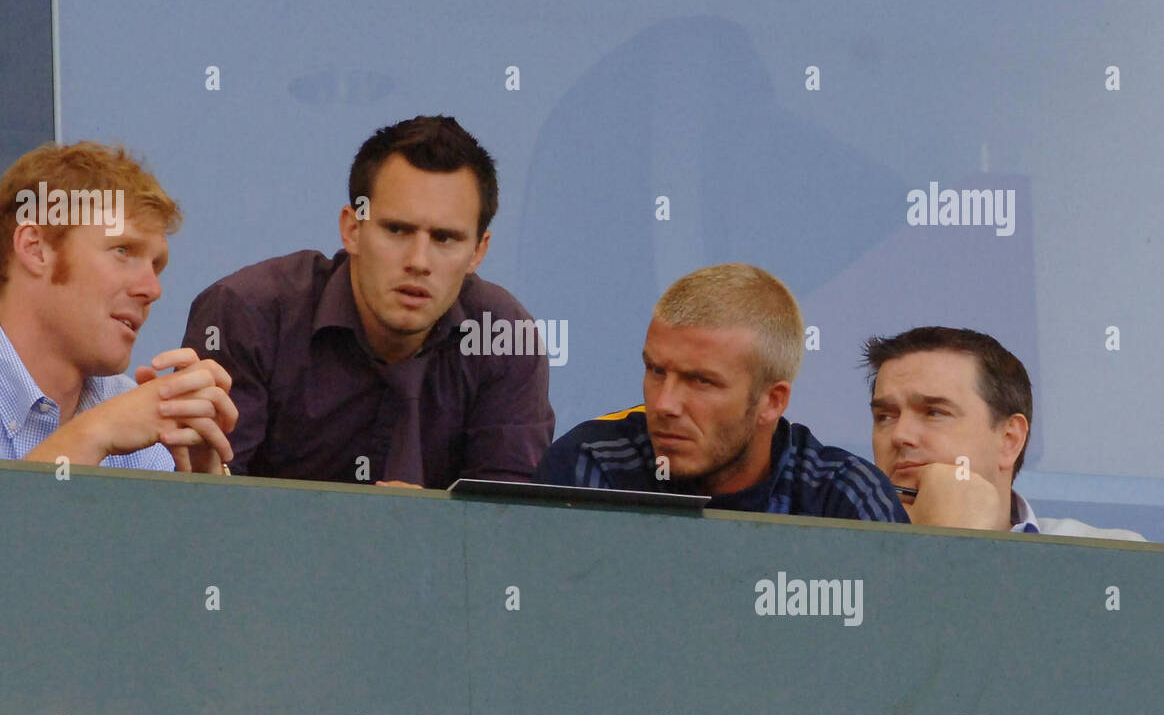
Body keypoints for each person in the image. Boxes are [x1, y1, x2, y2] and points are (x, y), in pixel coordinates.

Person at [181, 115, 553, 487]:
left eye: (444, 239)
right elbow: (210, 504)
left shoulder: (502, 335)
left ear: (478, 251)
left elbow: (511, 521)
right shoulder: (248, 312)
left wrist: (430, 529)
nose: (418, 262)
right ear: (352, 229)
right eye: (396, 230)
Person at [0, 142, 236, 473]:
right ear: (35, 249)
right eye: (123, 251)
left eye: (156, 267)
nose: (151, 289)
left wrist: (202, 487)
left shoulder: (138, 412)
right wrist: (94, 434)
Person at [537, 264, 907, 522]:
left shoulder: (840, 497)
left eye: (701, 382)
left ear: (771, 401)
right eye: (656, 370)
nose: (664, 404)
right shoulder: (591, 467)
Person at [863, 326, 1143, 540]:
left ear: (1010, 440)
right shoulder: (834, 558)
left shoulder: (1110, 556)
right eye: (885, 416)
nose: (900, 435)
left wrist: (956, 547)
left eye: (934, 412)